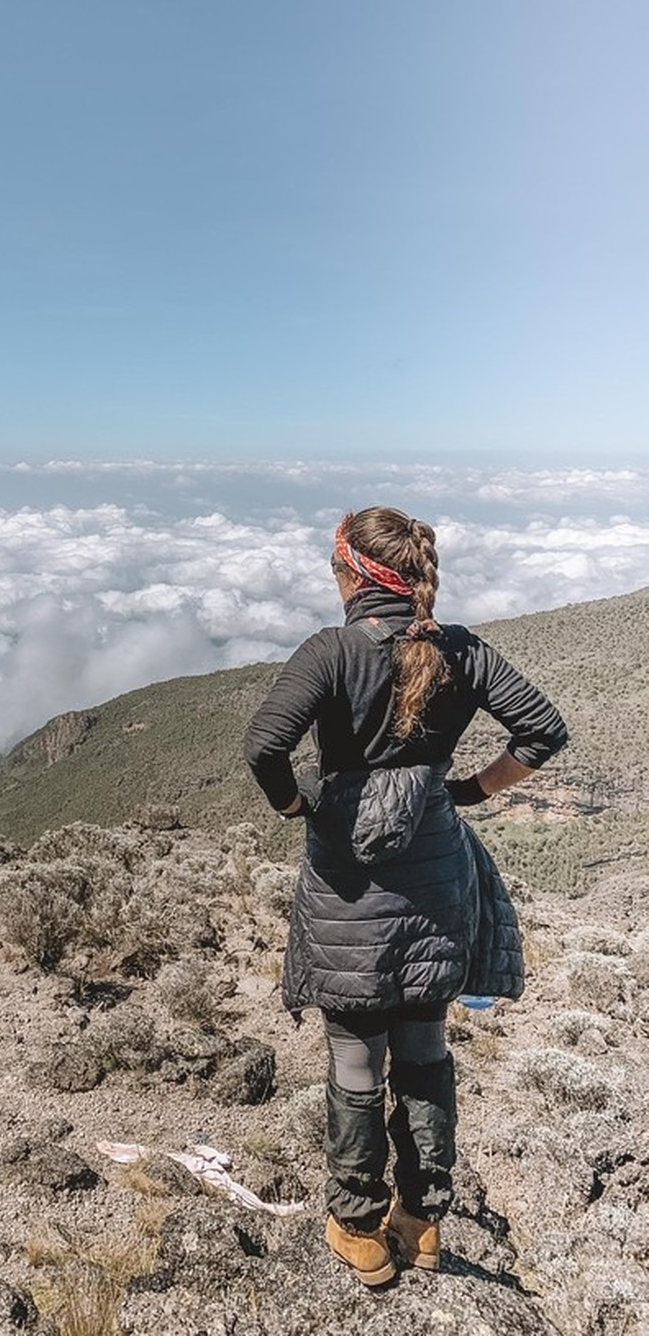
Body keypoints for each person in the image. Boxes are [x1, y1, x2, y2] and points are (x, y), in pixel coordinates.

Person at [244, 507, 568, 1286]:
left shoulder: (331, 653)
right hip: (435, 871)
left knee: (356, 1057)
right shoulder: (460, 650)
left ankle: (357, 1228)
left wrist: (303, 806)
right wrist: (466, 793)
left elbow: (264, 747)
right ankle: (420, 1222)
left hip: (349, 880)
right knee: (424, 1049)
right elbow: (543, 730)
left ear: (350, 573)